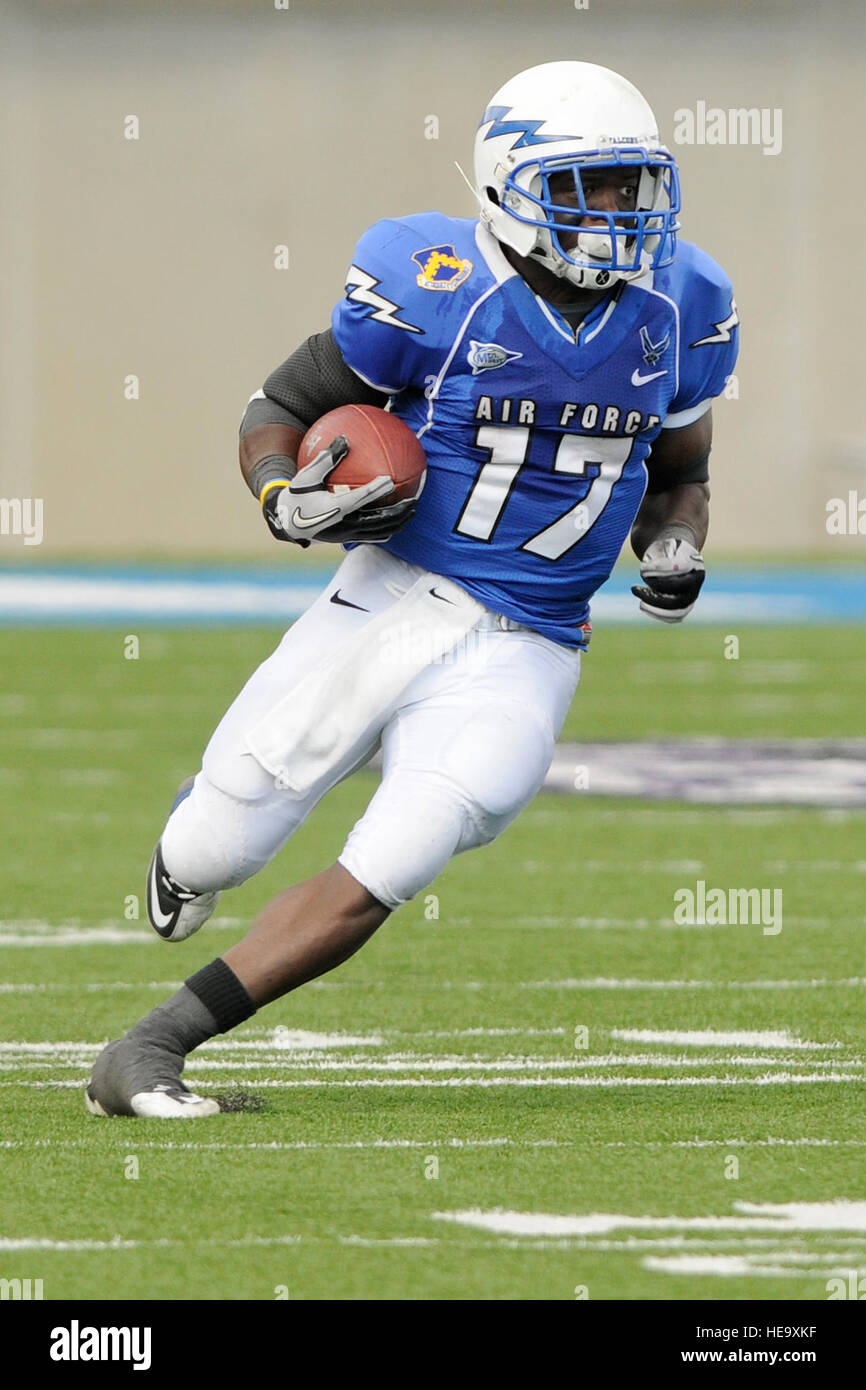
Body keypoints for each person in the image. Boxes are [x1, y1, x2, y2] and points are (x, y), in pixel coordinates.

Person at [87, 60, 738, 1117]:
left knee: (401, 853)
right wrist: (282, 496)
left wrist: (673, 547)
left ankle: (152, 1046)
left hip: (533, 642)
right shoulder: (433, 280)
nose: (619, 213)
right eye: (587, 186)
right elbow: (281, 404)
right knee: (223, 837)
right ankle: (188, 850)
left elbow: (680, 475)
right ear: (509, 184)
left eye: (631, 184)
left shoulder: (683, 305)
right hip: (396, 591)